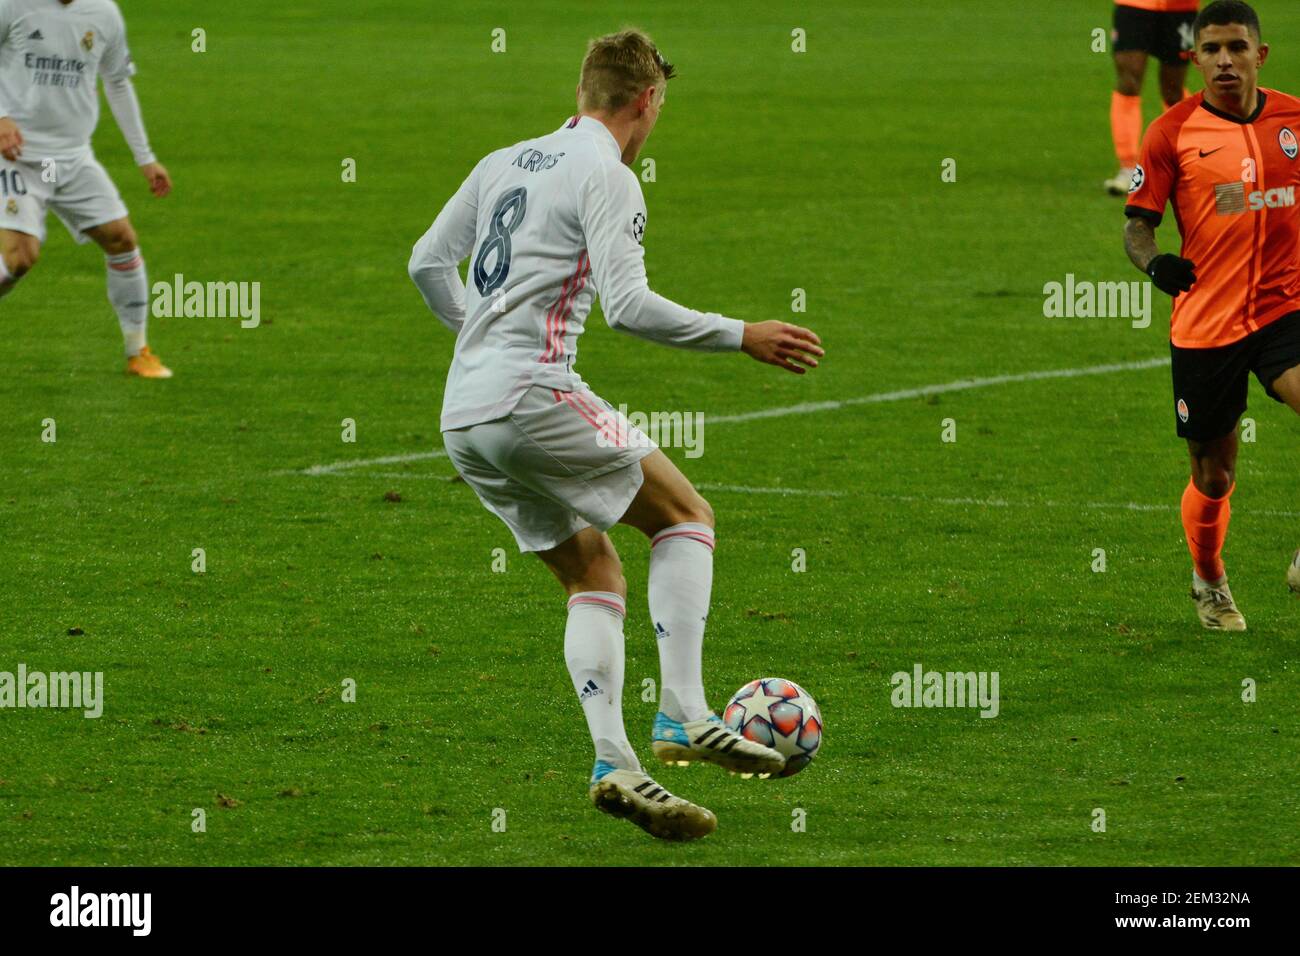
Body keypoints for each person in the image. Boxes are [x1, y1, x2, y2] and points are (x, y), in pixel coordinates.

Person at [409, 29, 824, 840]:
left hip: (465, 415)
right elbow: (630, 307)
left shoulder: (504, 161)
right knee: (685, 517)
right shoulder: (608, 174)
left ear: (582, 91)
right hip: (533, 393)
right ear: (647, 101)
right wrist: (743, 332)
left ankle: (614, 762)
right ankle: (684, 712)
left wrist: (479, 341)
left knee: (593, 569)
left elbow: (427, 262)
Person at [1124, 0, 1300, 630]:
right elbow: (1136, 226)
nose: (1225, 61)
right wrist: (1154, 265)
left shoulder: (1294, 121)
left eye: (1237, 47)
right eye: (1212, 50)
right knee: (1215, 473)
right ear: (1195, 57)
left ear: (1261, 54)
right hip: (1207, 324)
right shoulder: (1171, 132)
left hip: (1285, 309)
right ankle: (1209, 579)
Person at [0, 0, 172, 377]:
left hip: (74, 157)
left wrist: (145, 159)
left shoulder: (104, 13)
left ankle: (138, 351)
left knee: (121, 238)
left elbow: (118, 83)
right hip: (19, 157)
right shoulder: (12, 6)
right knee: (19, 260)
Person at [1106, 0, 1200, 196]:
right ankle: (1128, 167)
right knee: (1129, 81)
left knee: (1172, 91)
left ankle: (1186, 160)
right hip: (1134, 6)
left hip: (1180, 8)